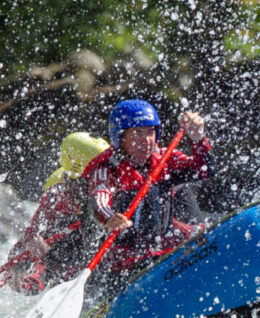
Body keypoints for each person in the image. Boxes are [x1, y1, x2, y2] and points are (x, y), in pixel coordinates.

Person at [83, 99, 213, 279]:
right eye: (137, 133)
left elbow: (204, 171)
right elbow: (99, 200)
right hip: (125, 261)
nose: (146, 141)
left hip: (162, 247)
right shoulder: (107, 169)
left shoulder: (165, 159)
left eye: (150, 132)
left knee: (205, 234)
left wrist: (198, 139)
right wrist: (110, 218)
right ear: (120, 137)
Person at [5, 132, 109, 295]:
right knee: (57, 242)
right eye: (96, 173)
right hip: (69, 267)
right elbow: (26, 239)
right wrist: (20, 263)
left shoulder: (112, 184)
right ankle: (44, 282)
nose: (103, 179)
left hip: (104, 260)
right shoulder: (57, 195)